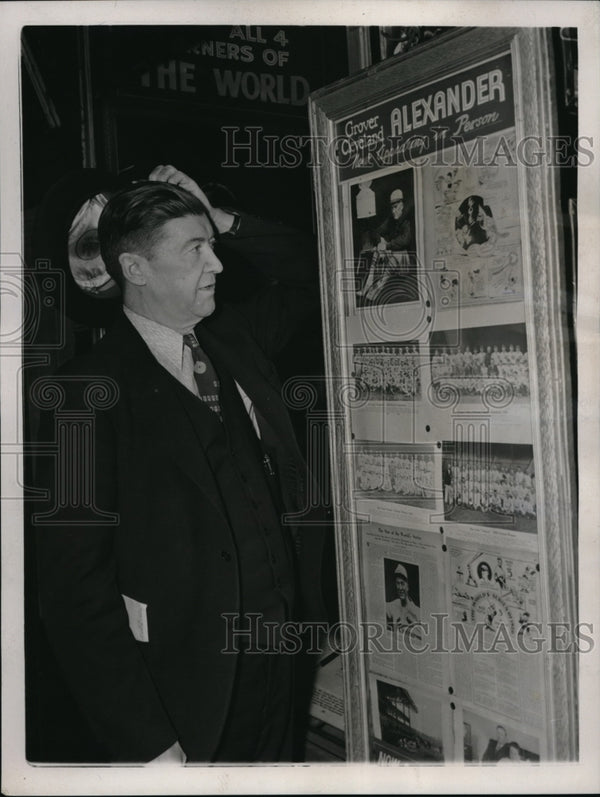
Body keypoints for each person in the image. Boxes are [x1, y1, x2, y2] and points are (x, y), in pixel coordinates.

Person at [34, 166, 326, 764]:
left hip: (277, 666)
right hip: (183, 696)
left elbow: (316, 269)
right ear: (136, 270)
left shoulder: (236, 338)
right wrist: (146, 740)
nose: (217, 264)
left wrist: (220, 220)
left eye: (213, 247)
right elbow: (74, 593)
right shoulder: (81, 395)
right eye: (196, 249)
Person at [385, 563, 419, 630]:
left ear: (408, 586)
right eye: (398, 583)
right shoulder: (392, 605)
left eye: (402, 583)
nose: (400, 588)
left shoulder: (416, 611)